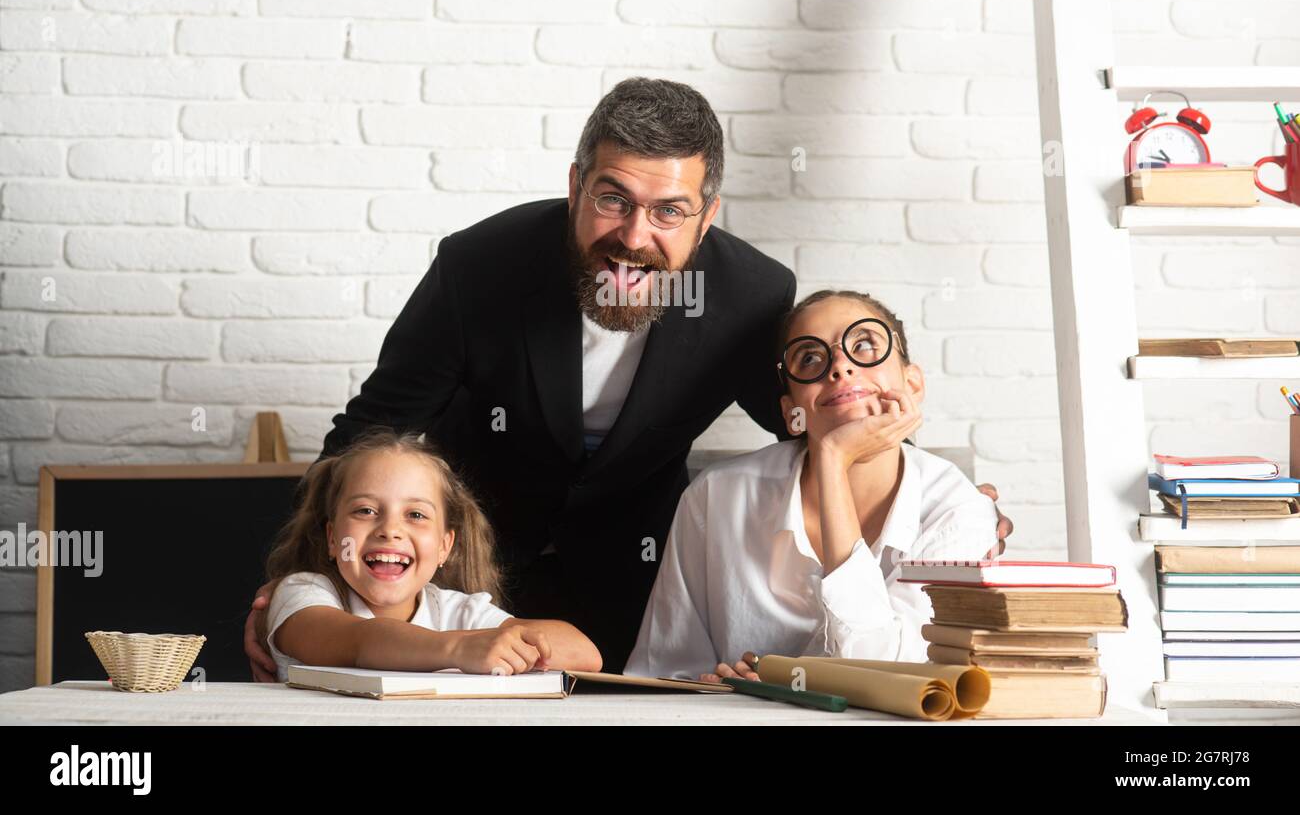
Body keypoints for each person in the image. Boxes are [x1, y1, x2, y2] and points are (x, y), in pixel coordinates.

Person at [245, 77, 1013, 679]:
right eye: (614, 198)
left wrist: (942, 496)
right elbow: (371, 429)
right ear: (576, 184)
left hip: (635, 587)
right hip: (461, 585)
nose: (634, 237)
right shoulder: (479, 268)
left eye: (669, 212)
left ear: (707, 217)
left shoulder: (748, 297)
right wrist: (296, 575)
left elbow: (817, 421)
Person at [624, 289, 999, 683]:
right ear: (791, 413)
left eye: (865, 345)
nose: (839, 367)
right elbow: (664, 670)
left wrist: (834, 460)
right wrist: (720, 693)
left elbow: (893, 675)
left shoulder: (960, 511)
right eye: (810, 358)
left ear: (913, 384)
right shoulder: (715, 497)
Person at [263, 426, 601, 680]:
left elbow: (584, 654)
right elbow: (359, 641)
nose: (390, 529)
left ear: (444, 547)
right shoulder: (303, 594)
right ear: (333, 538)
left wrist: (505, 645)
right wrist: (458, 649)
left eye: (416, 515)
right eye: (365, 511)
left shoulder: (458, 613)